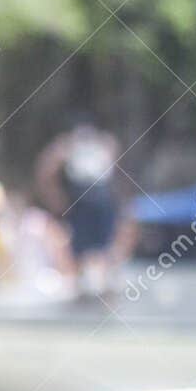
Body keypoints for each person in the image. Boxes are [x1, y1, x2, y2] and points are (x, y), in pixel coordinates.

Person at [36, 117, 128, 296]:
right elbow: (47, 170)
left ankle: (103, 290)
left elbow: (116, 171)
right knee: (78, 250)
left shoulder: (104, 145)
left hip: (101, 202)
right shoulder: (67, 146)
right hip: (81, 203)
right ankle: (81, 292)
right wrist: (55, 197)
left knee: (104, 250)